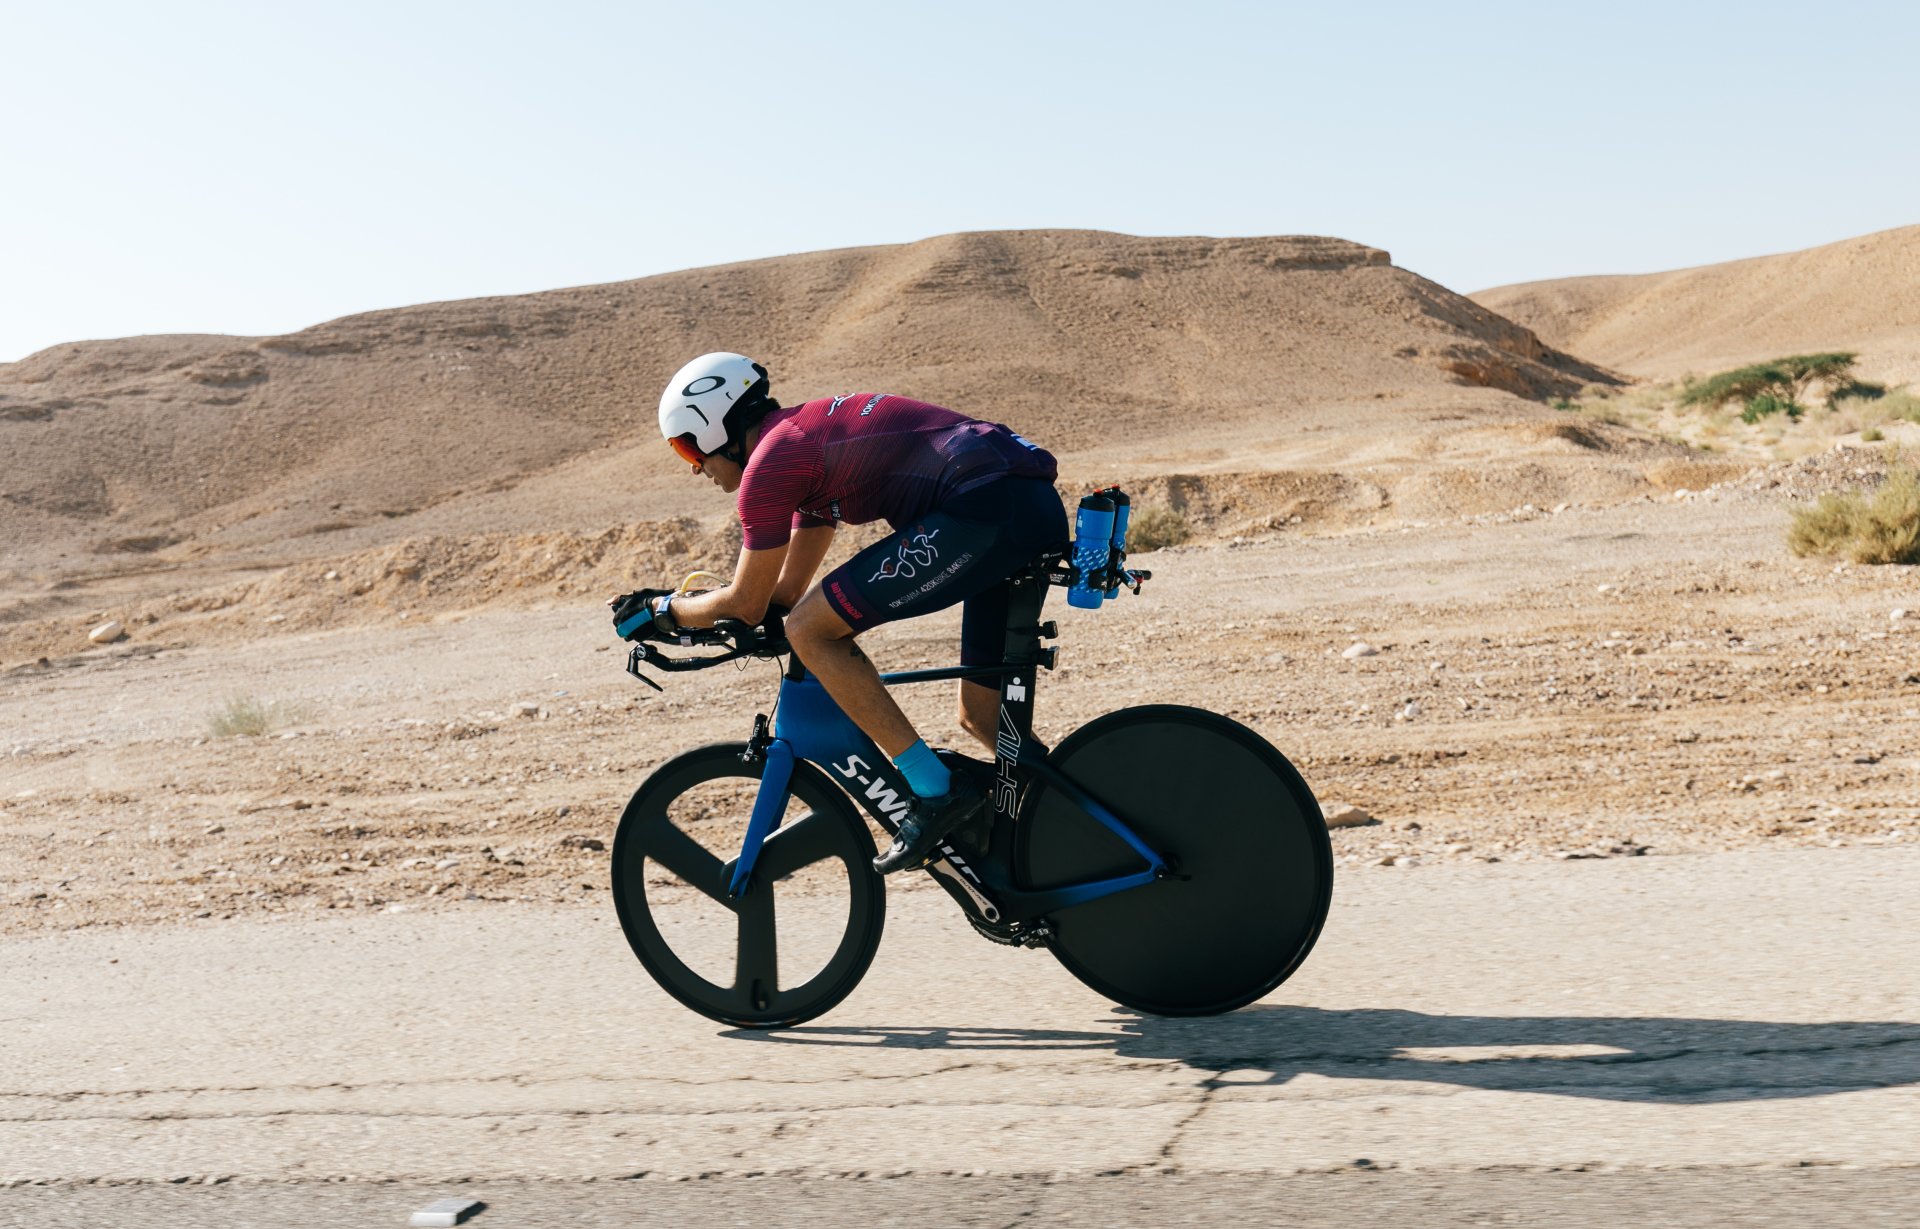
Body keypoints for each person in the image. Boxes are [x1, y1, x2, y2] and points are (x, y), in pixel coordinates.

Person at [611, 352, 1065, 874]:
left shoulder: (771, 463)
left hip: (983, 507)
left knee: (813, 631)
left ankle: (937, 791)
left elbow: (748, 603)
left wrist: (661, 609)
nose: (695, 467)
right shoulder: (803, 445)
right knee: (981, 719)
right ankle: (1077, 820)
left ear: (717, 426)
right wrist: (727, 612)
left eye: (688, 447)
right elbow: (779, 598)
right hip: (1025, 504)